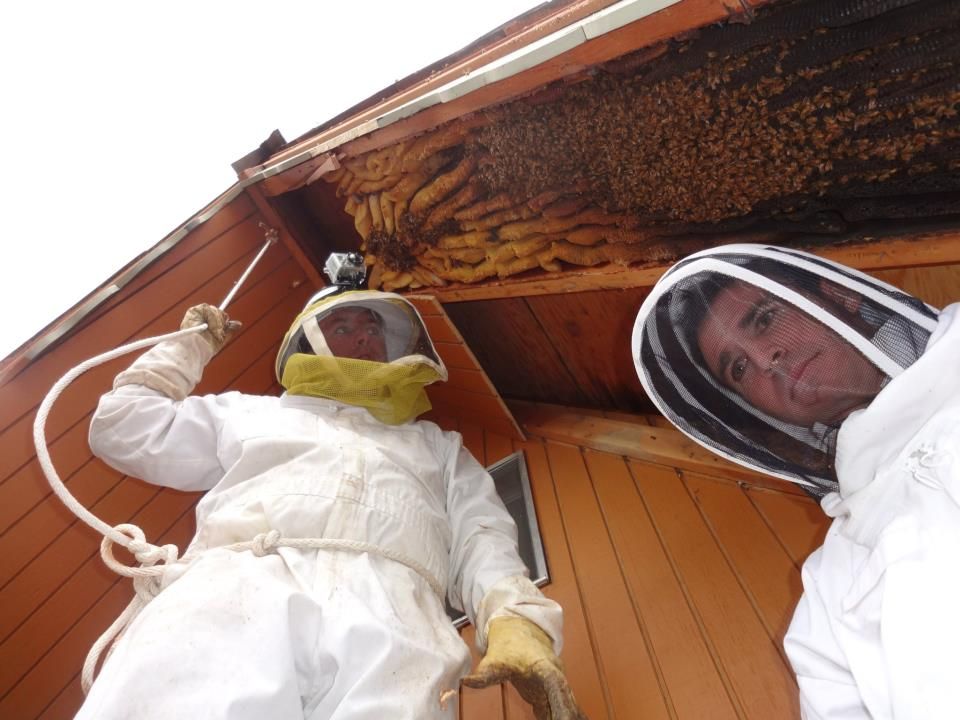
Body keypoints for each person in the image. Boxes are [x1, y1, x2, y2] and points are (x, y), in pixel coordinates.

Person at [80, 289, 586, 720]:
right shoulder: (249, 413)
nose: (366, 337)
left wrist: (517, 618)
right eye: (342, 326)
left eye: (372, 327)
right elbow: (124, 427)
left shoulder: (437, 446)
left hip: (397, 624)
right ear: (308, 344)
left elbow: (483, 535)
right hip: (236, 590)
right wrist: (186, 347)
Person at [632, 243, 959, 718]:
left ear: (836, 295)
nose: (765, 359)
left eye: (764, 319)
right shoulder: (829, 590)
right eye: (738, 368)